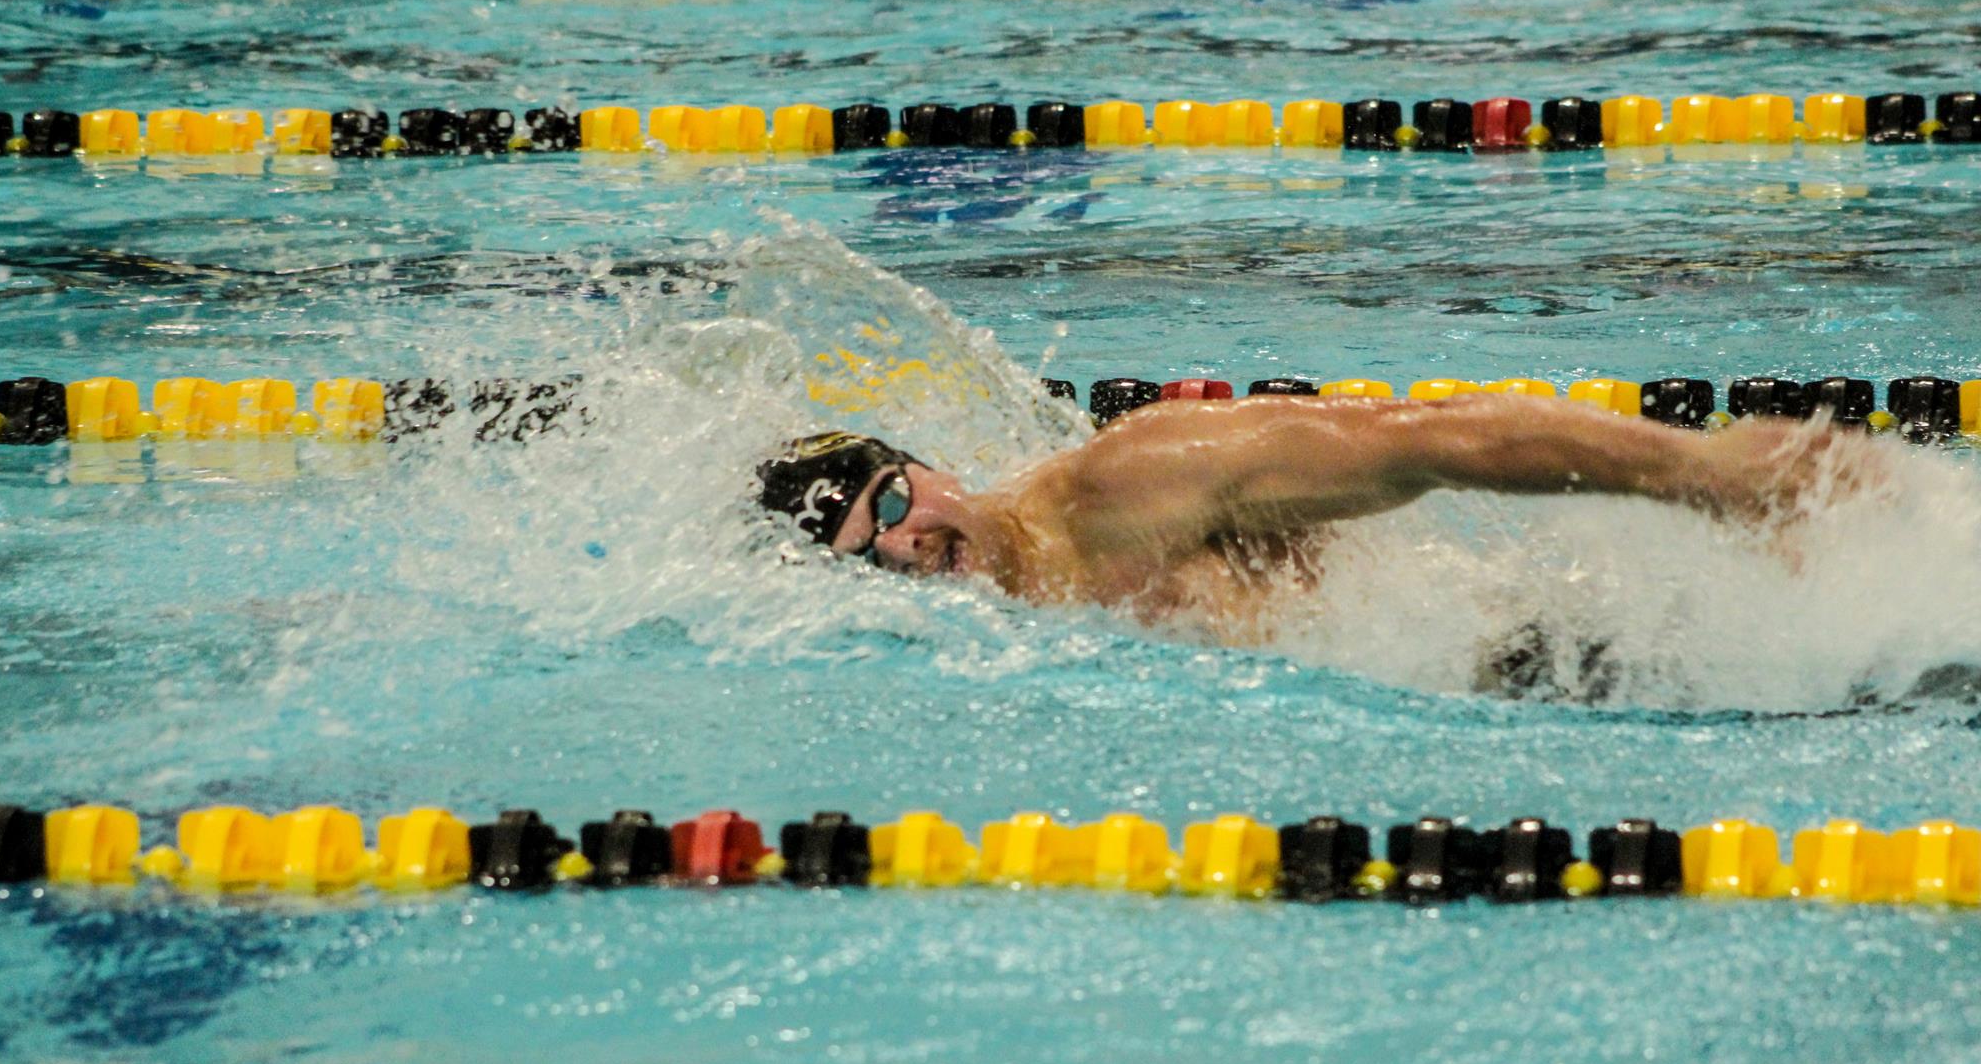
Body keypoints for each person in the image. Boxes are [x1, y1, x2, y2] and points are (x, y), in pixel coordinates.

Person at [755, 392, 1871, 643]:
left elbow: (1425, 440)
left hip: (1534, 659)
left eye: (892, 497)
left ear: (928, 467)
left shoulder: (1124, 487)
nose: (903, 538)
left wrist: (1693, 474)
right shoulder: (978, 639)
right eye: (870, 550)